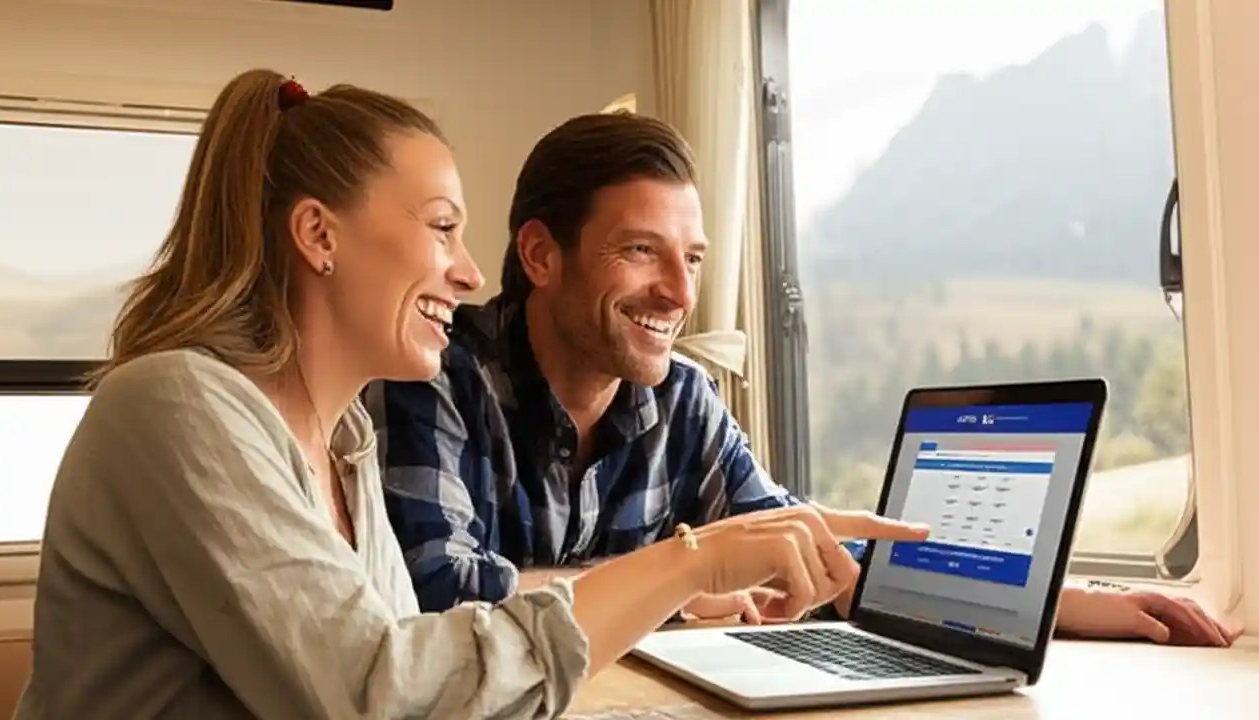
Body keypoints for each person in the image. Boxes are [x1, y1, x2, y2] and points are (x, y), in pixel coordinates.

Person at [15, 70, 928, 719]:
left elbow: (426, 668)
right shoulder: (177, 408)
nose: (463, 270)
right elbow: (380, 692)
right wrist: (683, 568)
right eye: (442, 227)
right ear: (317, 235)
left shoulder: (344, 449)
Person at [374, 111, 1239, 646]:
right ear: (540, 254)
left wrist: (1068, 601)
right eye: (642, 251)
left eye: (693, 258)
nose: (678, 293)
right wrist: (680, 582)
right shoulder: (434, 374)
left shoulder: (681, 400)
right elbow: (439, 595)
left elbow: (800, 551)